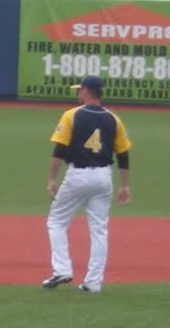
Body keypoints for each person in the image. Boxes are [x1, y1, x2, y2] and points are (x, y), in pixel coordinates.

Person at [44, 75, 132, 294]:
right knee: (99, 230)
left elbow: (60, 150)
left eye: (79, 90)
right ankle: (93, 283)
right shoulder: (114, 119)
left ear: (86, 91)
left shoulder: (71, 115)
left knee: (56, 221)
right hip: (104, 177)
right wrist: (124, 185)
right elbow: (123, 153)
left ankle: (62, 268)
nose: (77, 93)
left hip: (78, 175)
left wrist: (52, 179)